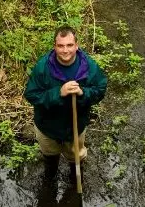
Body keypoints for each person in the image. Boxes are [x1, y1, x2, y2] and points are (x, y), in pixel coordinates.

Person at [24, 25, 107, 183]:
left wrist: (83, 93)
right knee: (49, 156)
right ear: (54, 46)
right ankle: (50, 177)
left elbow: (100, 89)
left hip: (76, 128)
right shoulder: (43, 67)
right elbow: (31, 95)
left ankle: (76, 179)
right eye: (60, 46)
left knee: (76, 157)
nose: (65, 50)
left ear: (77, 45)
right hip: (47, 128)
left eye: (69, 45)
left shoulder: (89, 66)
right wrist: (58, 93)